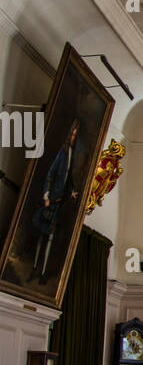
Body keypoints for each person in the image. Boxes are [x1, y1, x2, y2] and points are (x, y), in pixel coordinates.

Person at [29, 120, 80, 284]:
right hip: (50, 199)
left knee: (50, 235)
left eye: (75, 135)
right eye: (72, 134)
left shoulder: (72, 154)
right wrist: (46, 196)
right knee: (41, 236)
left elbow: (68, 177)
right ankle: (35, 267)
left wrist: (71, 191)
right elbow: (51, 174)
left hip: (60, 202)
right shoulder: (62, 153)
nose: (73, 137)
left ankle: (43, 272)